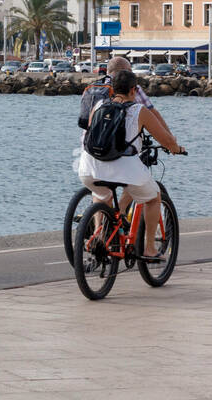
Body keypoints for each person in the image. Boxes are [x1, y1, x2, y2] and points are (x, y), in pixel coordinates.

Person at [78, 69, 185, 258]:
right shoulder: (139, 110)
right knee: (153, 198)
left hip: (89, 167)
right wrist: (177, 149)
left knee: (101, 194)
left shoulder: (99, 105)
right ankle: (150, 248)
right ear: (133, 90)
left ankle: (100, 235)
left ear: (112, 90)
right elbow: (166, 140)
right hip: (124, 169)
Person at [76, 54, 176, 222]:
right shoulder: (131, 88)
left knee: (101, 192)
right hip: (118, 147)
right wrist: (171, 140)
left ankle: (100, 228)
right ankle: (121, 212)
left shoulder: (93, 88)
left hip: (91, 148)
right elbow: (152, 113)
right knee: (135, 175)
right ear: (126, 73)